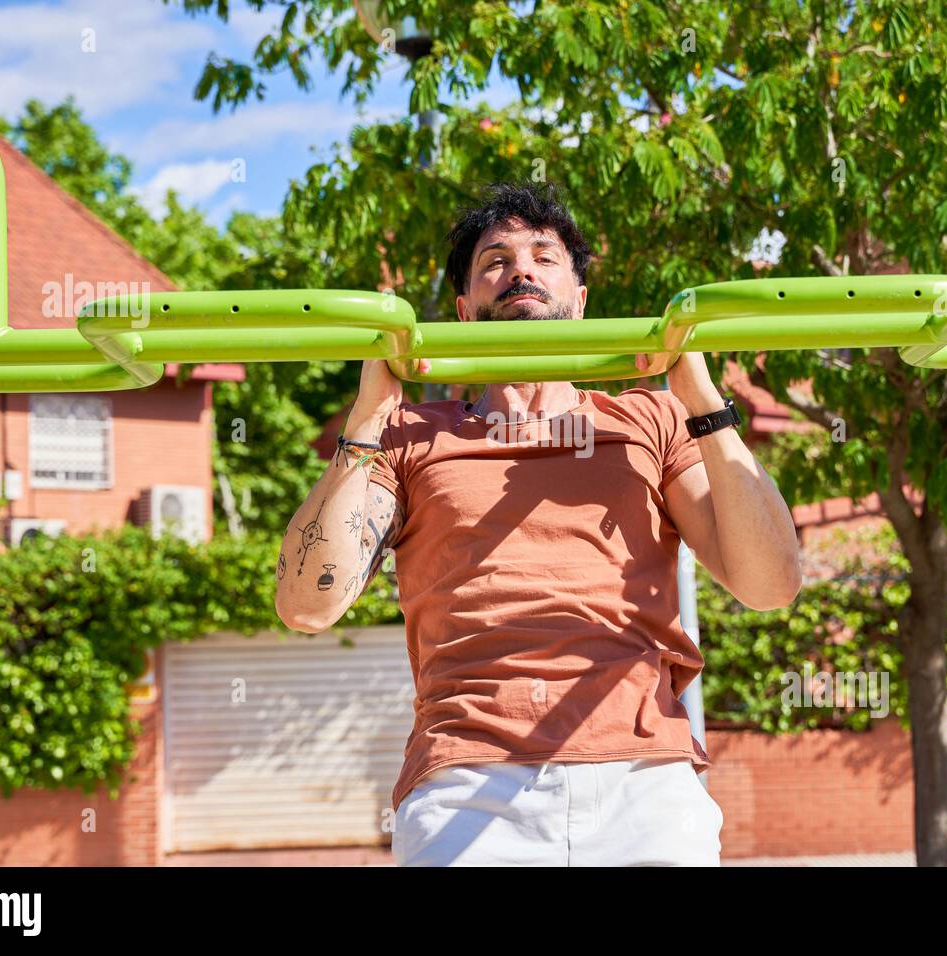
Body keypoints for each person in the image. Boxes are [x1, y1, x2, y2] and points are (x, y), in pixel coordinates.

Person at [275, 182, 802, 866]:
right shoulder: (408, 436)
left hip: (643, 783)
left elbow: (771, 584)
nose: (521, 268)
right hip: (469, 783)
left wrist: (700, 398)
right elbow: (306, 605)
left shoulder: (651, 420)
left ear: (580, 300)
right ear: (464, 312)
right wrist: (367, 419)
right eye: (495, 259)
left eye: (544, 256)